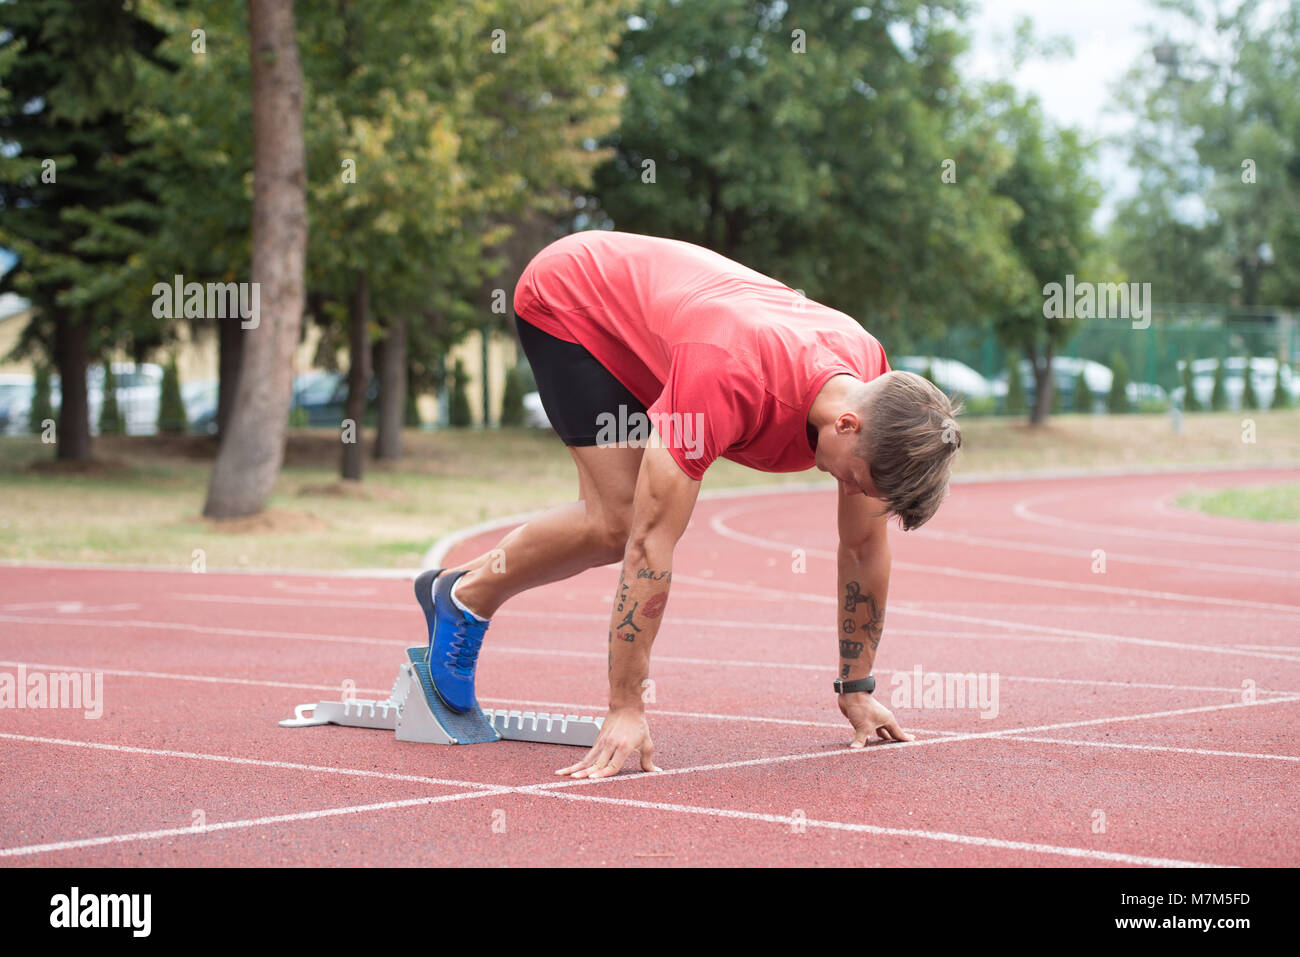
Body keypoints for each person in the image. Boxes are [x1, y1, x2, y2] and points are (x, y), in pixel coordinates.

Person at [419, 230, 962, 778]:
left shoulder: (872, 383)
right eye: (861, 482)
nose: (856, 495)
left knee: (623, 517)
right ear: (848, 424)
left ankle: (456, 586)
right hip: (576, 299)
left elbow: (864, 547)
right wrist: (626, 707)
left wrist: (857, 686)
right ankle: (463, 597)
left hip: (670, 326)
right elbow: (650, 544)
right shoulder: (726, 380)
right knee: (620, 521)